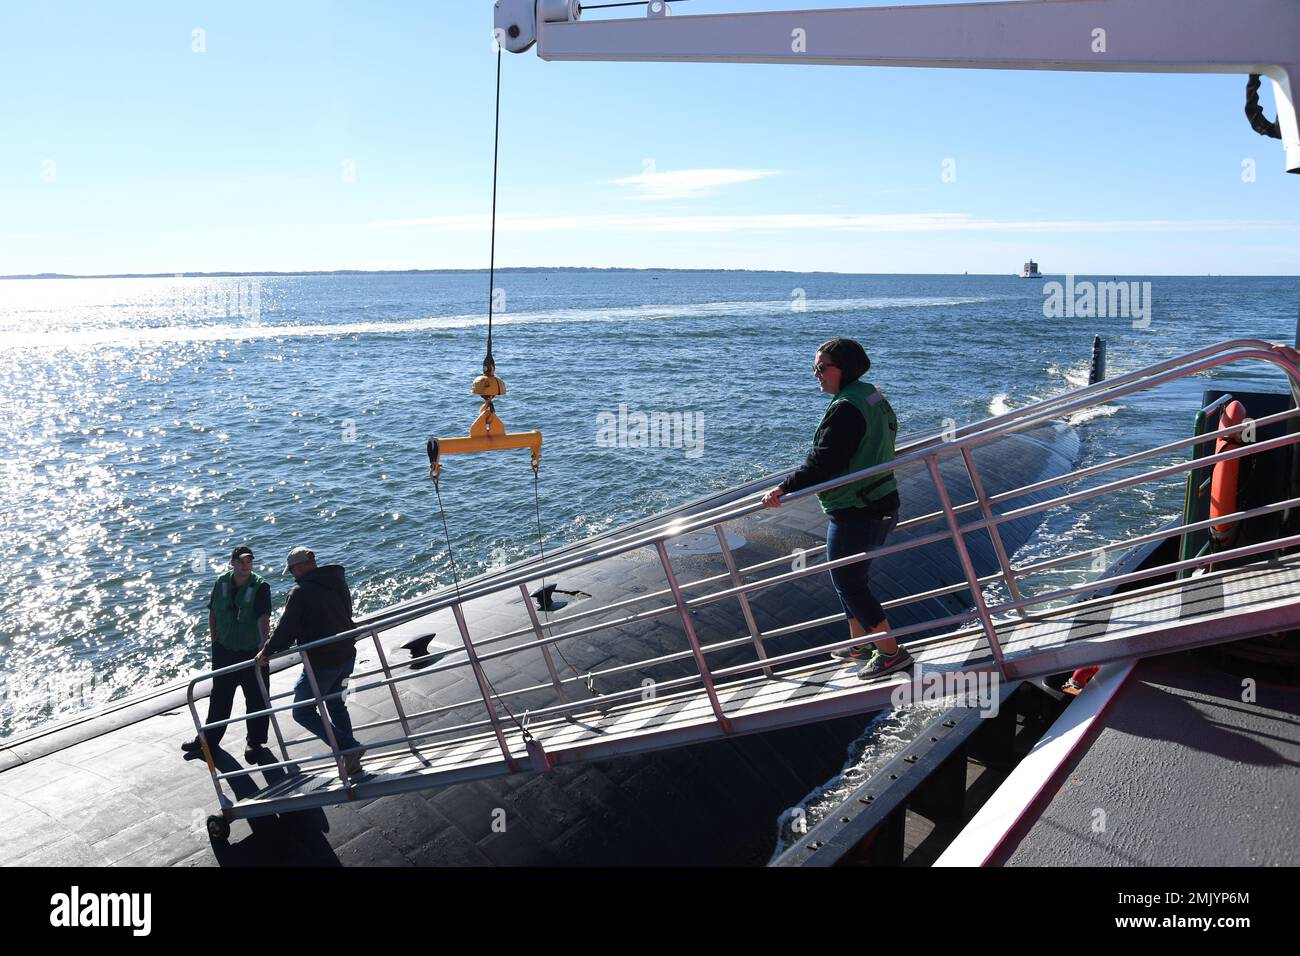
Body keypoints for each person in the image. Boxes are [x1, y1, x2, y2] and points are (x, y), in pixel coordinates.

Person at [762, 338, 911, 678]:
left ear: (843, 368)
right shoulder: (871, 394)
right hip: (882, 501)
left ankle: (890, 653)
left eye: (820, 368)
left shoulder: (846, 407)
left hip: (858, 509)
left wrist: (782, 488)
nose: (815, 375)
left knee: (849, 583)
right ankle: (858, 645)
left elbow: (823, 463)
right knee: (852, 579)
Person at [256, 547, 364, 776]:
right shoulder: (337, 581)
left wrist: (267, 651)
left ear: (300, 566)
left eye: (293, 570)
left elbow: (286, 630)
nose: (293, 574)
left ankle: (349, 747)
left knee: (302, 711)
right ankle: (351, 759)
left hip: (322, 660)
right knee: (336, 703)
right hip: (346, 652)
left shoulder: (300, 592)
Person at [182, 545, 273, 761]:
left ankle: (255, 742)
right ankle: (208, 741)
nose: (245, 565)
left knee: (257, 698)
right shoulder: (222, 581)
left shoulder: (260, 586)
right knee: (219, 697)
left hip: (252, 651)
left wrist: (263, 648)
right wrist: (214, 641)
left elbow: (263, 619)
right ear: (232, 562)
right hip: (224, 649)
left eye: (249, 561)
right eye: (241, 561)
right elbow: (213, 612)